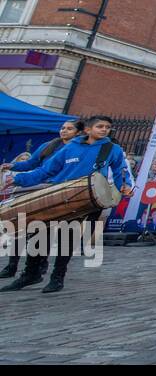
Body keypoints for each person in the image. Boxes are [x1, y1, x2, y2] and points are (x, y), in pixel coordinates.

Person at [0, 115, 129, 294]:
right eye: (100, 126)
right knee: (40, 234)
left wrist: (121, 190)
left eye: (107, 127)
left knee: (66, 239)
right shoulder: (71, 147)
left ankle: (57, 278)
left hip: (85, 198)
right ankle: (30, 274)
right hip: (58, 194)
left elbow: (119, 172)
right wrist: (17, 180)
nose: (104, 130)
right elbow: (46, 170)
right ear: (87, 130)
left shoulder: (111, 149)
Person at [0, 118, 84, 278]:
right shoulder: (49, 145)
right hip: (37, 186)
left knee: (45, 228)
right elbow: (31, 164)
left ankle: (40, 265)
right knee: (20, 225)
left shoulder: (80, 149)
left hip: (58, 190)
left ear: (78, 133)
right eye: (63, 127)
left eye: (69, 129)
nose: (64, 131)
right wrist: (13, 166)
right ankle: (12, 266)